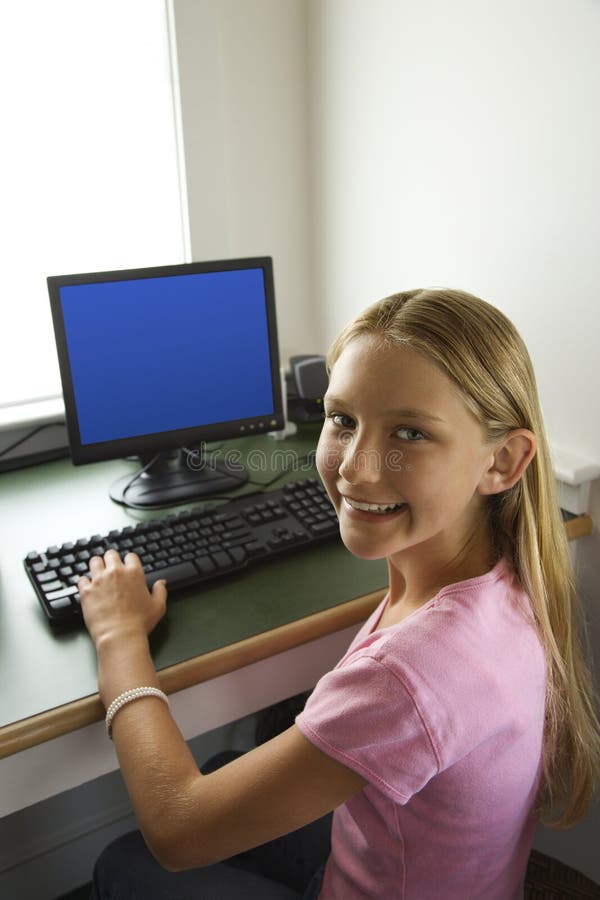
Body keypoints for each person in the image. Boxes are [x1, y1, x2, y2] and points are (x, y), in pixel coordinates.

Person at [82, 288, 600, 899]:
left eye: (409, 432)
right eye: (342, 419)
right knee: (227, 769)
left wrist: (119, 638)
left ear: (503, 461)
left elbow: (178, 830)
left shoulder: (410, 673)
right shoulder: (510, 572)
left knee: (126, 860)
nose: (356, 467)